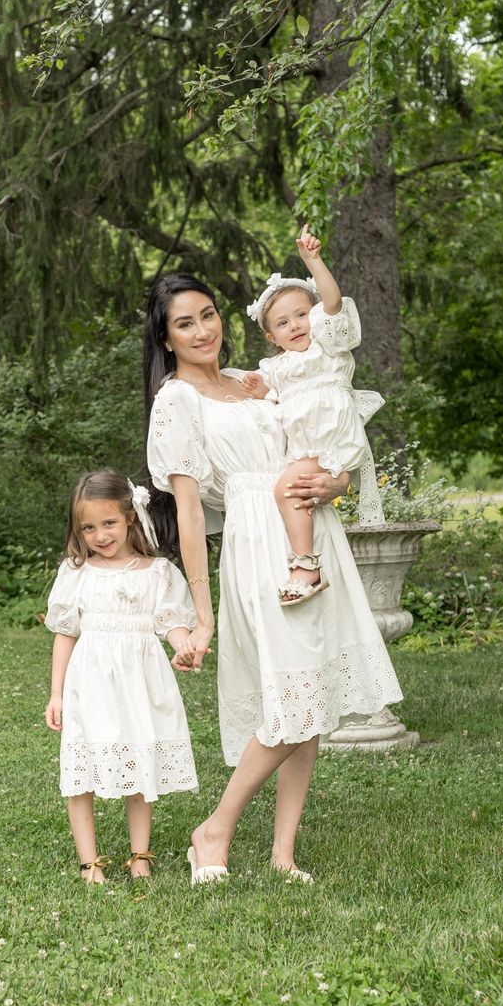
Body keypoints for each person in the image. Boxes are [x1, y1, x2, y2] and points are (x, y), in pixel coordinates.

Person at [144, 273, 403, 885]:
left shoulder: (259, 378)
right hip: (256, 541)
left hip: (310, 532)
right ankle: (215, 828)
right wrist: (202, 615)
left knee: (310, 690)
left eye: (208, 315)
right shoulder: (176, 401)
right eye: (186, 323)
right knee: (295, 696)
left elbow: (326, 430)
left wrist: (337, 482)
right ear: (166, 337)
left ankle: (283, 850)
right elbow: (186, 513)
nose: (203, 330)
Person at [43, 470, 199, 884]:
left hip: (138, 684)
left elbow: (171, 622)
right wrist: (56, 693)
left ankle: (140, 855)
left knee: (138, 762)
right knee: (82, 767)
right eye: (88, 527)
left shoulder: (157, 572)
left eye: (108, 523)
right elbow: (65, 634)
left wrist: (183, 644)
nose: (99, 535)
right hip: (89, 684)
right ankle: (89, 862)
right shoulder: (77, 573)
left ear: (130, 516)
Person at [242, 224, 385, 605]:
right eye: (283, 323)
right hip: (308, 449)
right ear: (272, 337)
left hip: (333, 441)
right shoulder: (278, 367)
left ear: (315, 316)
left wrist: (314, 261)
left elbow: (334, 303)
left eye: (302, 314)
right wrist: (261, 390)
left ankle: (306, 565)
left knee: (286, 490)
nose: (295, 326)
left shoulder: (326, 347)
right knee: (295, 494)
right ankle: (307, 559)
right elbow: (269, 395)